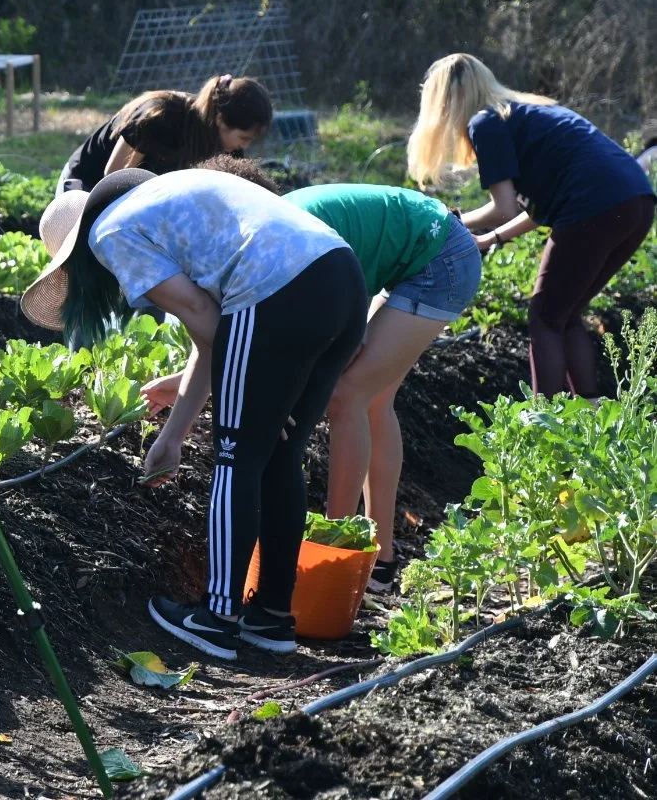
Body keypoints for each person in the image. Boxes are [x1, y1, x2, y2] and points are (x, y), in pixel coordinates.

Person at [21, 168, 366, 660]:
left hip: (279, 288)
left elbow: (208, 323)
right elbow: (212, 332)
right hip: (340, 280)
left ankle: (217, 617)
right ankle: (271, 618)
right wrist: (174, 435)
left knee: (236, 457)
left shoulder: (110, 234)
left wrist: (257, 389)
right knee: (279, 456)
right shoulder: (161, 207)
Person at [147, 155, 482, 593]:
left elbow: (331, 346)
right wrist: (182, 384)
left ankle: (328, 548)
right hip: (420, 251)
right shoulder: (268, 235)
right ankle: (379, 557)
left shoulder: (287, 237)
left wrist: (271, 395)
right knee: (373, 399)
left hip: (440, 259)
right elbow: (230, 338)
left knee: (347, 395)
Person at [406, 53, 654, 397]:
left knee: (545, 318)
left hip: (596, 203)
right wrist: (489, 238)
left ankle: (544, 422)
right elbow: (538, 209)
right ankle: (591, 407)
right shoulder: (527, 112)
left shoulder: (486, 122)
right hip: (637, 201)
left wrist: (455, 220)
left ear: (445, 101)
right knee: (564, 313)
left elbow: (503, 208)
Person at [56, 74, 273, 192]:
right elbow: (113, 179)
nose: (244, 146)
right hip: (85, 186)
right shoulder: (159, 116)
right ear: (220, 119)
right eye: (243, 138)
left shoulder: (229, 148)